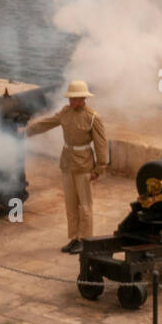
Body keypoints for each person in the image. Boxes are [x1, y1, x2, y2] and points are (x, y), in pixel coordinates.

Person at [24, 80, 108, 253]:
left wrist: (99, 169)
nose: (70, 101)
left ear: (83, 98)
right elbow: (48, 123)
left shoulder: (93, 118)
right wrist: (28, 131)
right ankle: (74, 238)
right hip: (67, 164)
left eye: (74, 98)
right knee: (70, 205)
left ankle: (85, 240)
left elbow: (101, 145)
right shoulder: (65, 112)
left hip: (84, 165)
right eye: (70, 98)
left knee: (85, 206)